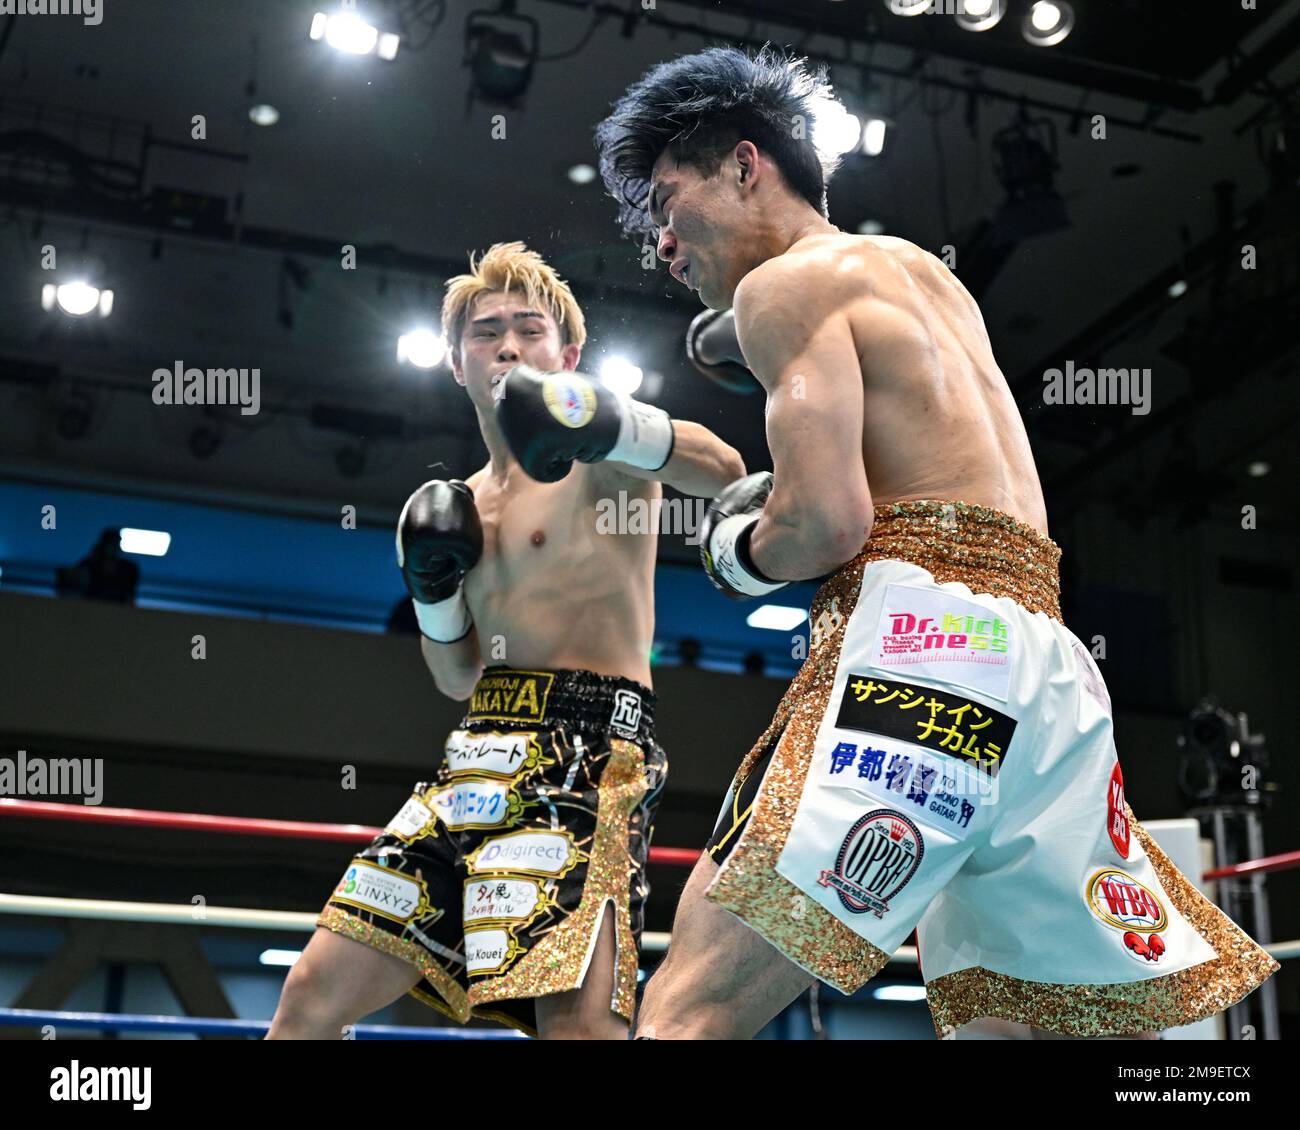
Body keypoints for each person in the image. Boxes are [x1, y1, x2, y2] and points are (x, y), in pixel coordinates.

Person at [593, 46, 1279, 1040]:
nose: (661, 240)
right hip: (1047, 671)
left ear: (746, 165)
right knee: (1039, 1028)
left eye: (668, 199)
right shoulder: (920, 274)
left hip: (924, 652)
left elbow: (827, 523)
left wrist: (733, 546)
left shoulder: (781, 289)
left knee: (687, 1009)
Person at [267, 241, 744, 1039]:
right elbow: (454, 675)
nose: (510, 346)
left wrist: (608, 421)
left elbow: (723, 467)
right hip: (473, 754)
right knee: (311, 992)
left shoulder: (603, 457)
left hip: (589, 751)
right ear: (457, 363)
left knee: (578, 1028)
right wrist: (431, 592)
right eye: (487, 333)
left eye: (529, 328)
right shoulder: (456, 507)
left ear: (570, 351)